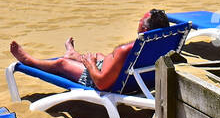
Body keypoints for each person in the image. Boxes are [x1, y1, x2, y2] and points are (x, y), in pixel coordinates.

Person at [9, 10, 171, 91]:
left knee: (61, 63)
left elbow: (101, 83)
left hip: (103, 80)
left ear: (143, 27)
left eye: (140, 20)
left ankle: (29, 61)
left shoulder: (125, 50)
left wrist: (90, 64)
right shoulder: (162, 44)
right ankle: (73, 54)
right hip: (134, 80)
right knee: (100, 56)